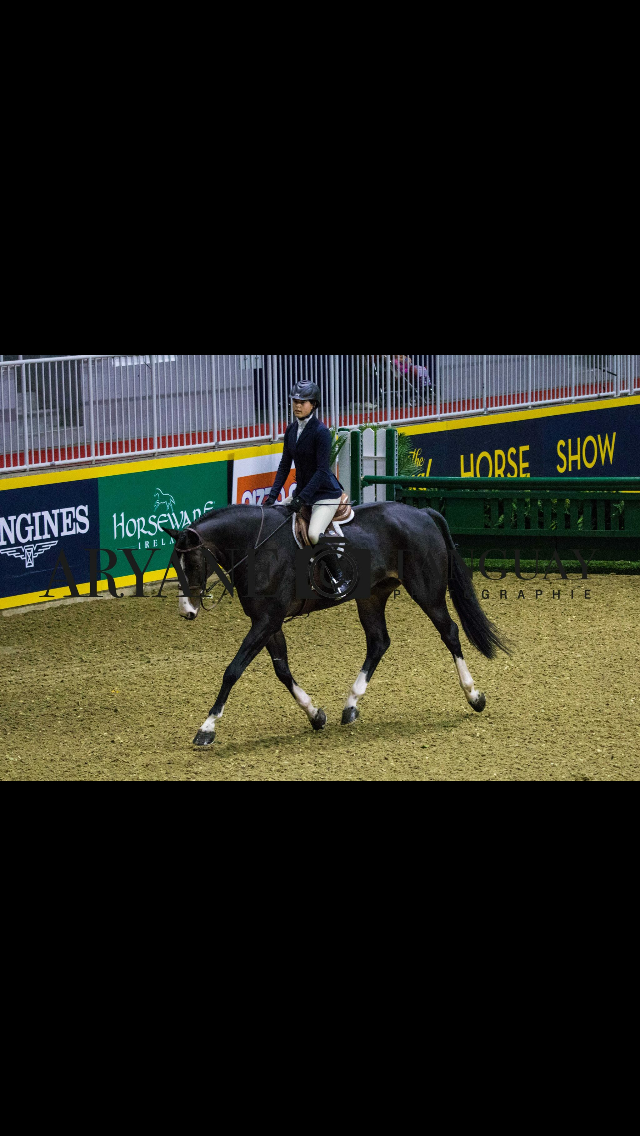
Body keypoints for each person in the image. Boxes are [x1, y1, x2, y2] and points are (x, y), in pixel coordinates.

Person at [265, 380, 349, 596]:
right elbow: (285, 465)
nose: (297, 405)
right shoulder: (291, 430)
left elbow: (322, 471)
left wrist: (301, 498)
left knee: (313, 534)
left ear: (313, 404)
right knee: (274, 518)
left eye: (302, 402)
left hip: (324, 494)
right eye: (295, 401)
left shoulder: (321, 432)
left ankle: (338, 576)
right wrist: (272, 495)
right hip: (302, 494)